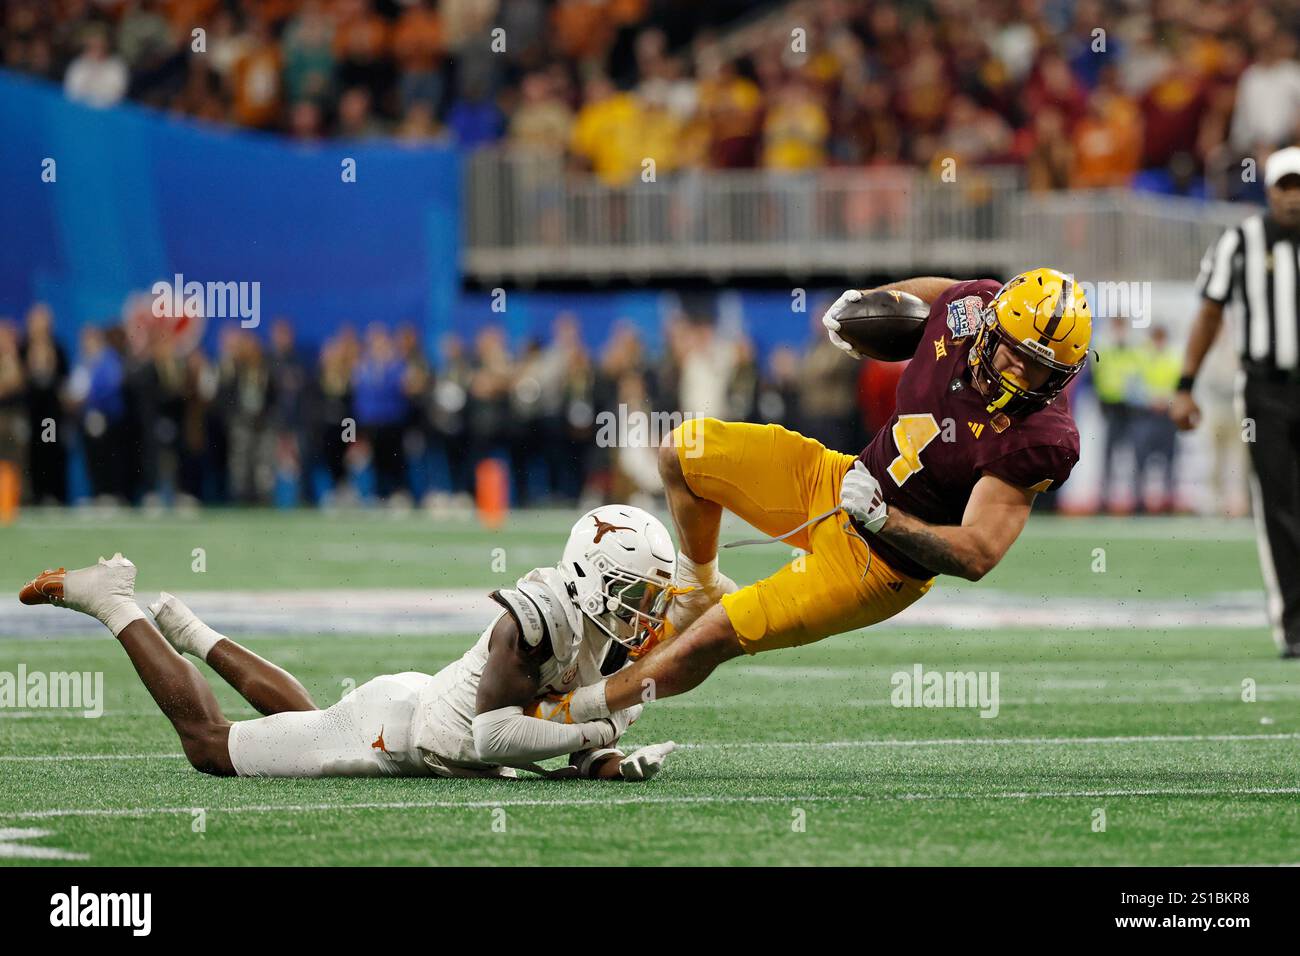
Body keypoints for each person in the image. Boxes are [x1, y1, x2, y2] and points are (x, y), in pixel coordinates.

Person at [536, 269, 1090, 725]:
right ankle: (697, 584)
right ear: (993, 325)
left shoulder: (1041, 439)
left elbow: (976, 554)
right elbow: (938, 297)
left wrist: (884, 520)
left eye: (1042, 366)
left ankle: (568, 716)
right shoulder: (975, 306)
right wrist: (874, 301)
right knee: (683, 452)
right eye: (1015, 352)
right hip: (840, 478)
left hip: (880, 563)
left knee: (716, 634)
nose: (1020, 371)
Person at [19, 506, 676, 781]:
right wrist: (594, 737)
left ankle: (192, 633)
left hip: (419, 711)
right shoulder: (533, 620)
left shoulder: (607, 639)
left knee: (303, 721)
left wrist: (600, 764)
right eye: (638, 593)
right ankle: (113, 597)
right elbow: (494, 740)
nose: (646, 613)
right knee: (211, 748)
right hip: (394, 731)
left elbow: (561, 721)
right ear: (591, 579)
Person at [1171, 146, 1300, 658]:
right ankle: (1294, 623)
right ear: (1269, 190)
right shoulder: (1241, 242)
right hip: (1266, 390)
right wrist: (1185, 385)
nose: (1293, 196)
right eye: (1285, 186)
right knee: (1279, 508)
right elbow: (1209, 313)